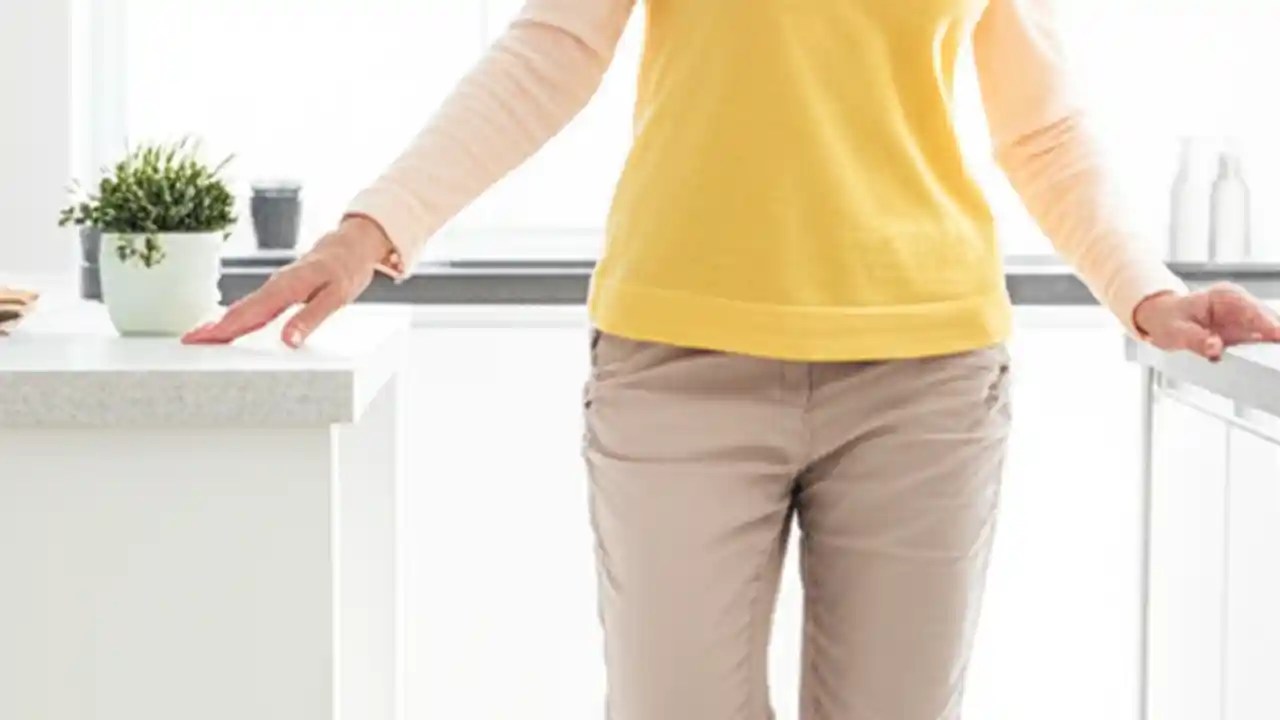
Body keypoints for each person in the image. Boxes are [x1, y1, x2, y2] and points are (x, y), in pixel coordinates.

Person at [185, 1, 1280, 717]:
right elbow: (550, 51)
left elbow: (1041, 127)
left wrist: (1146, 291)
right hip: (676, 365)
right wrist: (365, 231)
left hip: (924, 374)